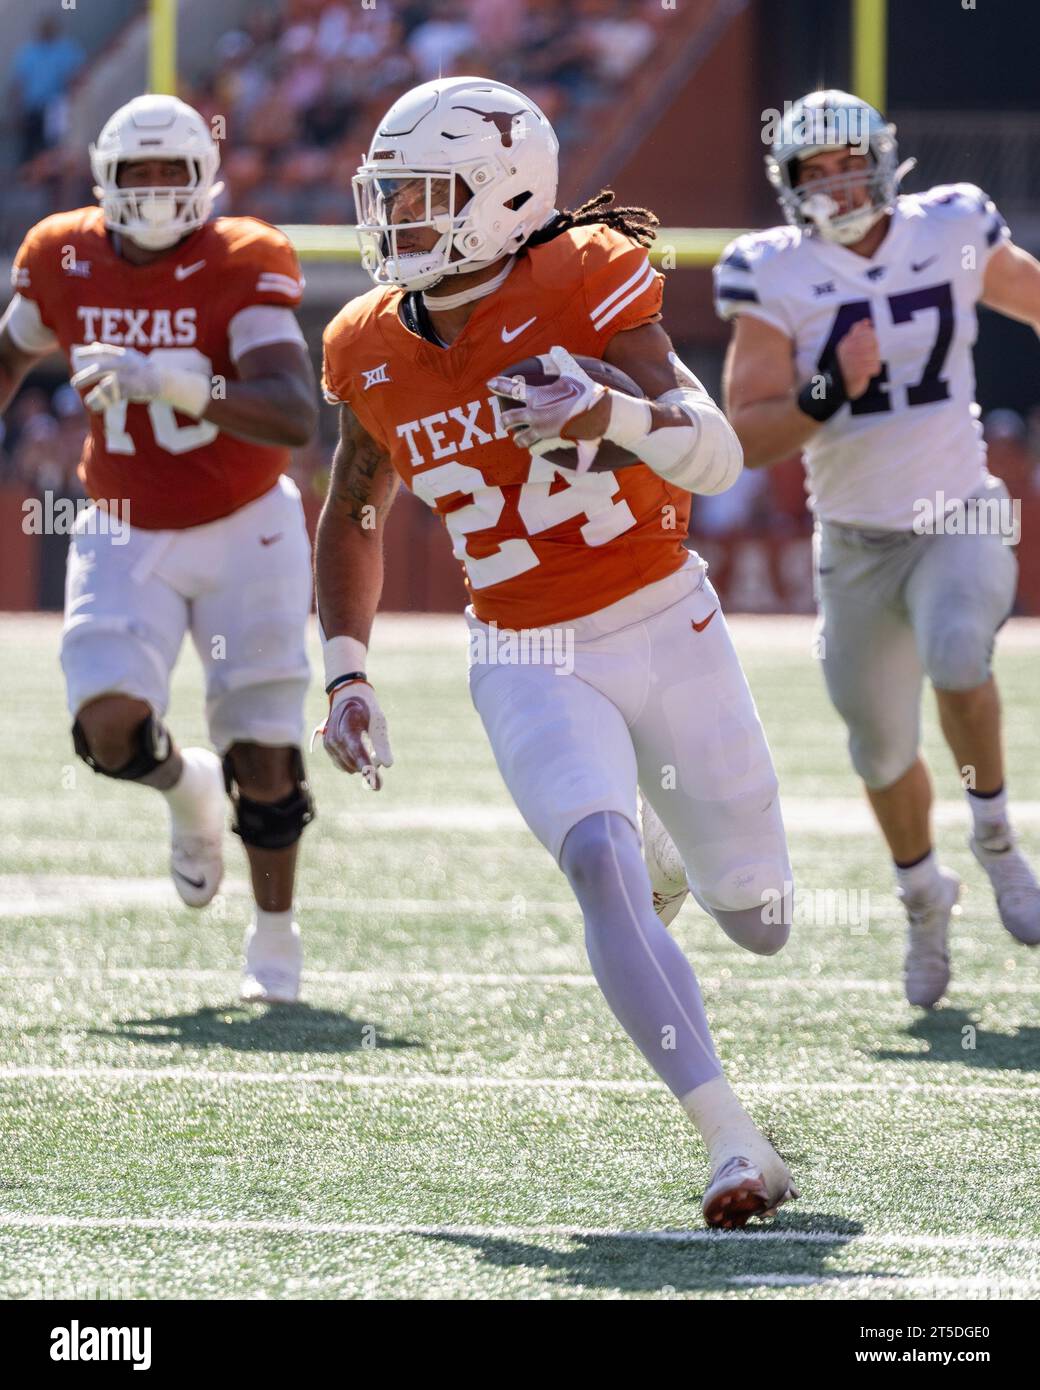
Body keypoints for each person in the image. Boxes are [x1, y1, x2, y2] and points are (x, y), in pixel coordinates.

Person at [316, 75, 798, 1228]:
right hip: (522, 646)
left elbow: (714, 454)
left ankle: (675, 856)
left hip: (661, 615)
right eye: (390, 196)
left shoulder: (581, 276)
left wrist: (608, 414)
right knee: (593, 860)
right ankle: (731, 1138)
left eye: (424, 197)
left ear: (502, 196)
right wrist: (345, 669)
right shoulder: (365, 343)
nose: (396, 220)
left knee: (760, 919)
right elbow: (355, 506)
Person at [709, 88, 1040, 1007]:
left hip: (961, 512)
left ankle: (999, 842)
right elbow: (749, 433)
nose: (836, 182)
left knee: (958, 652)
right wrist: (828, 388)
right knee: (880, 752)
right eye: (815, 169)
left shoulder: (951, 227)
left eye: (849, 162)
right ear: (789, 182)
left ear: (882, 161)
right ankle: (924, 897)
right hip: (855, 542)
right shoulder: (773, 272)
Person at [0, 94, 319, 1003]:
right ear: (103, 178)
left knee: (264, 748)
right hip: (123, 521)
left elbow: (293, 411)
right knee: (106, 726)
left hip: (247, 521)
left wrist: (180, 385)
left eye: (168, 172)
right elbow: (10, 354)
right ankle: (188, 790)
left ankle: (274, 939)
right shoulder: (63, 255)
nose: (150, 189)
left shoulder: (243, 256)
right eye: (134, 172)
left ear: (203, 179)